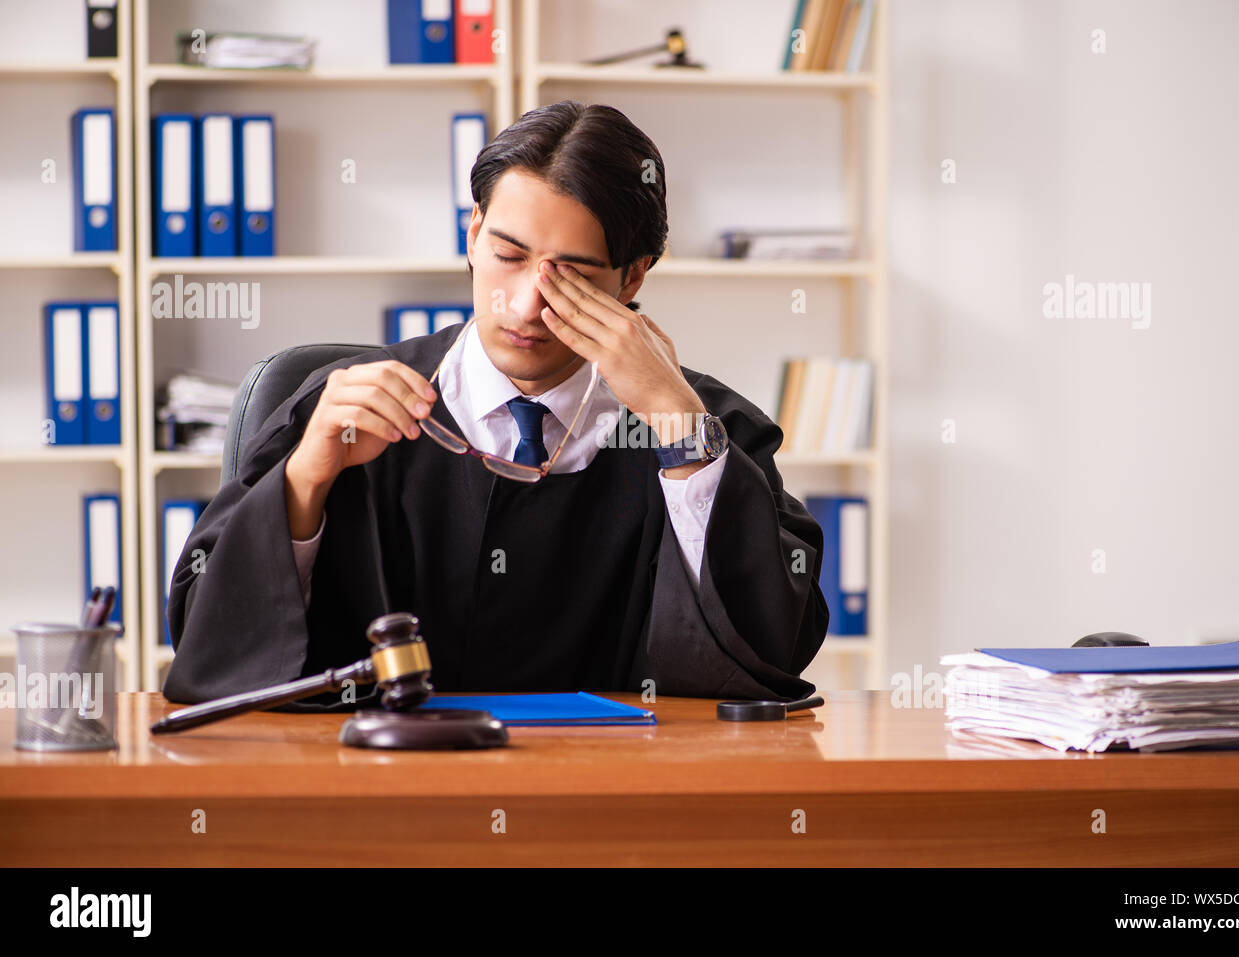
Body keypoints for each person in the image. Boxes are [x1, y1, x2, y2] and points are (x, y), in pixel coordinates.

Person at [163, 100, 828, 710]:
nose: (528, 304)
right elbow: (206, 657)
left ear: (633, 276)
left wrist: (681, 434)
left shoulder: (709, 428)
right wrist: (306, 477)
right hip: (378, 799)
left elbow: (769, 660)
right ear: (473, 233)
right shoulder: (341, 405)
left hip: (622, 809)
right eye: (508, 255)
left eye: (571, 275)